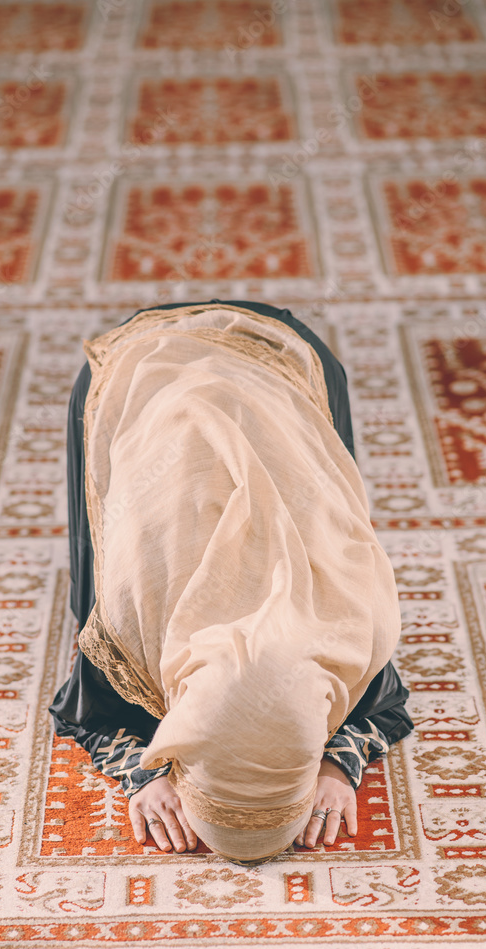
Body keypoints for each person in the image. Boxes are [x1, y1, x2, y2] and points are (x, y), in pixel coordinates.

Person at [49, 299, 413, 865]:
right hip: (159, 375)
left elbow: (386, 701)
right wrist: (142, 778)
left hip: (270, 370)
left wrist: (335, 765)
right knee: (92, 589)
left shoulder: (343, 634)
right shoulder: (129, 625)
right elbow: (80, 707)